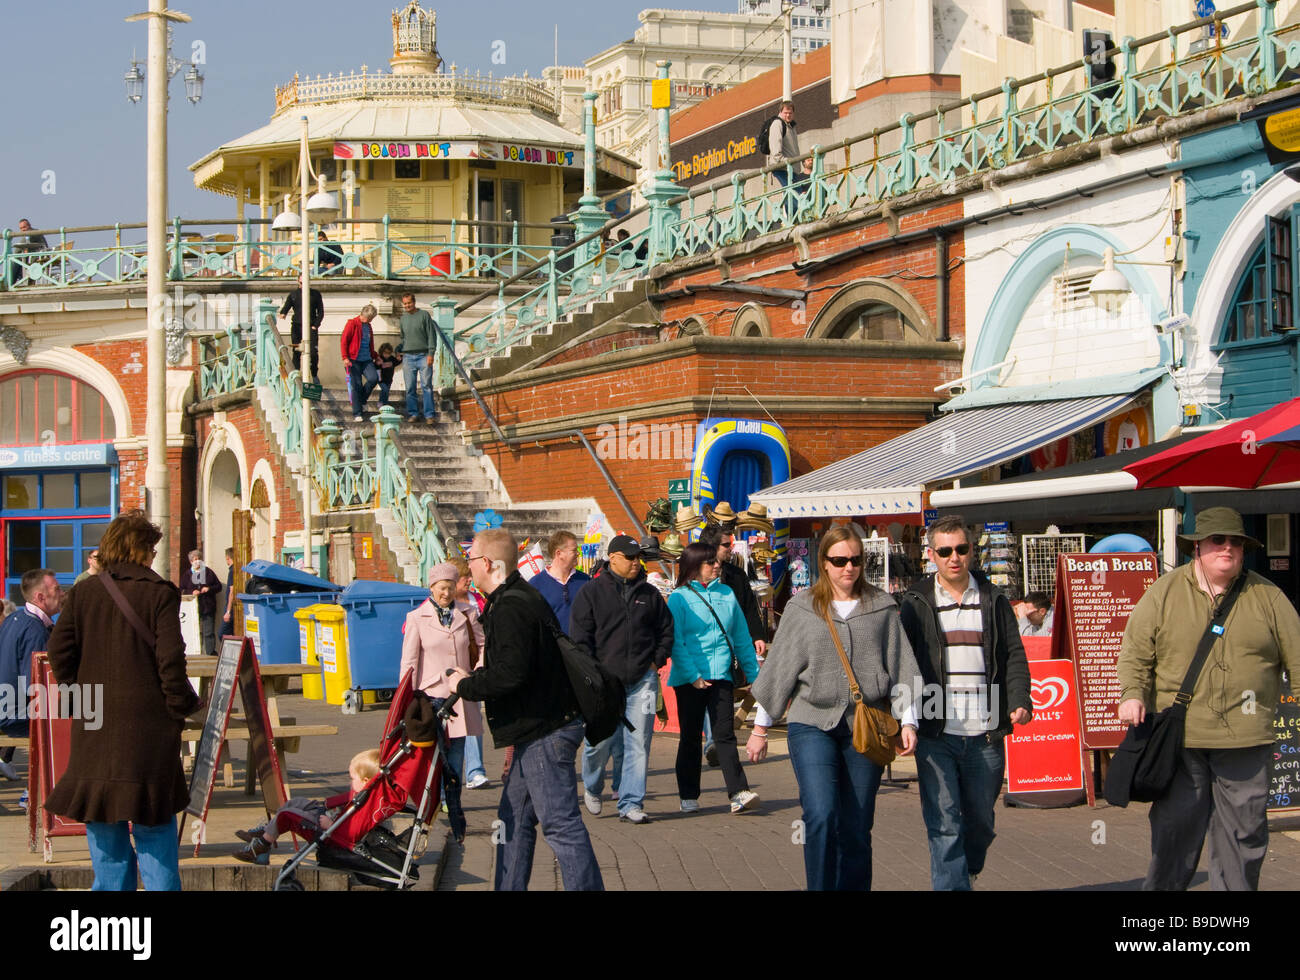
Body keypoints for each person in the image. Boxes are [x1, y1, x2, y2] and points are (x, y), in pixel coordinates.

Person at [1118, 507, 1300, 891]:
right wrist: (1132, 694)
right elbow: (1136, 651)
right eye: (1218, 540)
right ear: (1197, 546)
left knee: (1244, 833)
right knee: (1174, 832)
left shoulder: (1268, 596)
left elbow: (1298, 658)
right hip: (1180, 739)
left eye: (1237, 542)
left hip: (1246, 740)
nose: (1228, 548)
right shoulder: (1164, 592)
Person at [749, 525, 922, 890]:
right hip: (812, 723)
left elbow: (902, 666)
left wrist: (908, 721)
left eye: (856, 560)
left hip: (867, 724)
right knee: (821, 814)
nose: (849, 568)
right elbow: (780, 670)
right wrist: (760, 729)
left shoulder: (882, 607)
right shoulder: (802, 607)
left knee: (857, 825)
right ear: (824, 562)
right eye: (840, 560)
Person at [46, 510, 204, 890]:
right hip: (149, 728)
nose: (153, 556)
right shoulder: (159, 593)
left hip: (96, 723)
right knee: (154, 822)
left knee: (104, 824)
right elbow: (170, 662)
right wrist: (179, 706)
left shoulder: (84, 592)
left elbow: (58, 653)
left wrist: (80, 697)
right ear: (140, 550)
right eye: (151, 549)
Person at [446, 528, 603, 890]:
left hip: (545, 729)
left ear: (489, 563)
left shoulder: (512, 606)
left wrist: (464, 685)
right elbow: (517, 666)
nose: (468, 568)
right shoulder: (512, 599)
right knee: (512, 818)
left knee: (560, 824)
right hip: (536, 728)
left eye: (471, 559)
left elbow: (511, 674)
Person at [899, 515, 1032, 890]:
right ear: (931, 555)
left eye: (960, 549)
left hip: (985, 732)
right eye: (945, 551)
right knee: (944, 822)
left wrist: (1019, 698)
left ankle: (968, 868)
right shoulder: (916, 602)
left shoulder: (994, 598)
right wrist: (905, 719)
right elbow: (903, 662)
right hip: (935, 730)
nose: (953, 557)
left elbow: (1014, 654)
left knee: (980, 821)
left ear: (971, 550)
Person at [571, 535, 674, 824]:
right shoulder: (591, 592)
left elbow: (666, 630)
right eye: (629, 557)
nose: (635, 562)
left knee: (639, 742)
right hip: (604, 683)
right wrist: (593, 674)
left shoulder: (650, 594)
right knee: (599, 743)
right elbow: (580, 638)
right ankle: (592, 785)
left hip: (643, 680)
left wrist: (656, 660)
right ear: (613, 558)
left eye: (637, 557)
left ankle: (631, 802)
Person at [666, 541, 761, 815]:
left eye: (716, 561)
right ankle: (688, 795)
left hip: (722, 675)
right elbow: (676, 642)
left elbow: (741, 637)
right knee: (690, 737)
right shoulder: (679, 598)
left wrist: (754, 675)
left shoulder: (727, 593)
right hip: (690, 679)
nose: (717, 565)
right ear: (694, 566)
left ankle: (739, 792)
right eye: (710, 562)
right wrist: (692, 675)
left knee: (725, 735)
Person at [399, 562, 485, 843]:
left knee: (456, 754)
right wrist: (406, 699)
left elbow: (483, 645)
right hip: (431, 697)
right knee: (433, 755)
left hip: (460, 695)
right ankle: (430, 805)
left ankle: (453, 805)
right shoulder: (416, 617)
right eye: (441, 588)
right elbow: (409, 662)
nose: (446, 593)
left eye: (450, 587)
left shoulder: (468, 613)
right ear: (431, 588)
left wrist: (476, 673)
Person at [698, 524, 767, 766]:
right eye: (726, 544)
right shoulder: (693, 575)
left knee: (723, 693)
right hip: (703, 648)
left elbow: (749, 608)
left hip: (731, 647)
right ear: (712, 546)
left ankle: (720, 740)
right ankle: (714, 742)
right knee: (708, 692)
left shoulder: (737, 575)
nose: (731, 548)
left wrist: (757, 635)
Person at [234, 749, 381, 863]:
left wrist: (331, 825)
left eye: (352, 778)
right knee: (296, 802)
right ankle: (266, 832)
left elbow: (352, 833)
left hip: (328, 830)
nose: (350, 782)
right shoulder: (364, 796)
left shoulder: (366, 805)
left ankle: (261, 845)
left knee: (287, 814)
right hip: (326, 815)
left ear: (365, 781)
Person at [0, 568, 64, 780]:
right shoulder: (34, 630)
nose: (62, 593)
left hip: (7, 708)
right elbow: (36, 688)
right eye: (57, 589)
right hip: (15, 716)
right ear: (40, 597)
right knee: (86, 721)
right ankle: (37, 791)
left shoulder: (15, 617)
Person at [450, 555, 490, 790]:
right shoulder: (440, 604)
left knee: (473, 718)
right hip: (449, 670)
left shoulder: (478, 600)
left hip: (473, 667)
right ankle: (451, 776)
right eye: (464, 577)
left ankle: (475, 771)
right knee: (454, 724)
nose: (468, 581)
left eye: (468, 576)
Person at [529, 530, 591, 633]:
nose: (578, 553)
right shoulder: (535, 584)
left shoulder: (586, 581)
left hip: (581, 643)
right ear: (559, 553)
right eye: (574, 550)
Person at [398, 292, 438, 425]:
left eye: (409, 303)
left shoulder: (424, 315)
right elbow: (403, 338)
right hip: (408, 357)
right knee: (410, 387)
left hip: (423, 355)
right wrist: (399, 350)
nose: (407, 305)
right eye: (405, 304)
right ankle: (413, 413)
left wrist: (431, 353)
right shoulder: (403, 318)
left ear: (414, 302)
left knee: (427, 386)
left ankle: (429, 415)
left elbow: (431, 335)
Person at [767, 101, 810, 216]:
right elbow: (775, 147)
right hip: (781, 167)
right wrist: (784, 160)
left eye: (790, 113)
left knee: (795, 192)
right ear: (780, 112)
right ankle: (793, 219)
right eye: (785, 113)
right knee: (793, 192)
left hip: (792, 168)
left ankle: (793, 218)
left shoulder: (791, 126)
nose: (788, 115)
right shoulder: (777, 124)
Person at [279, 275, 325, 382]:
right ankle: (296, 376)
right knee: (296, 352)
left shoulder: (315, 294)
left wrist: (315, 325)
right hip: (297, 327)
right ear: (298, 282)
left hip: (311, 327)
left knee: (313, 352)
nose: (303, 285)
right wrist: (283, 313)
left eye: (305, 282)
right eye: (301, 283)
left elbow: (321, 312)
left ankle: (314, 374)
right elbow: (286, 306)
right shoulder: (293, 294)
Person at [341, 303, 380, 422]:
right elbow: (344, 341)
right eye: (370, 318)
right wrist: (345, 357)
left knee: (373, 378)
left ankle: (362, 400)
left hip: (366, 359)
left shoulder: (368, 326)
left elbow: (369, 344)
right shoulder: (352, 323)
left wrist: (375, 356)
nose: (371, 320)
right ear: (364, 315)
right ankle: (357, 413)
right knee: (356, 385)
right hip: (353, 360)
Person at [180, 550, 222, 657]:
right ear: (191, 561)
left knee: (209, 632)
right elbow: (181, 589)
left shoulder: (208, 572)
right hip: (193, 608)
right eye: (195, 559)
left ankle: (210, 653)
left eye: (199, 559)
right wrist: (191, 592)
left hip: (208, 606)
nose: (197, 561)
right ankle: (197, 653)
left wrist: (209, 589)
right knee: (196, 632)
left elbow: (218, 587)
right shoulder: (187, 574)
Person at [374, 342, 400, 409]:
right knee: (384, 389)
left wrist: (400, 358)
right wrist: (377, 364)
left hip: (389, 379)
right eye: (385, 353)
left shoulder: (392, 359)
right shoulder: (380, 359)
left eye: (388, 353)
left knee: (386, 391)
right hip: (381, 379)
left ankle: (385, 404)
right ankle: (380, 402)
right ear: (381, 352)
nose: (387, 355)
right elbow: (376, 367)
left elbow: (397, 361)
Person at [219, 547, 237, 640]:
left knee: (222, 634)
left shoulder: (232, 571)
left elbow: (232, 592)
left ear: (227, 557)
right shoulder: (237, 570)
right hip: (236, 606)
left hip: (232, 607)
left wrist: (228, 611)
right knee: (232, 633)